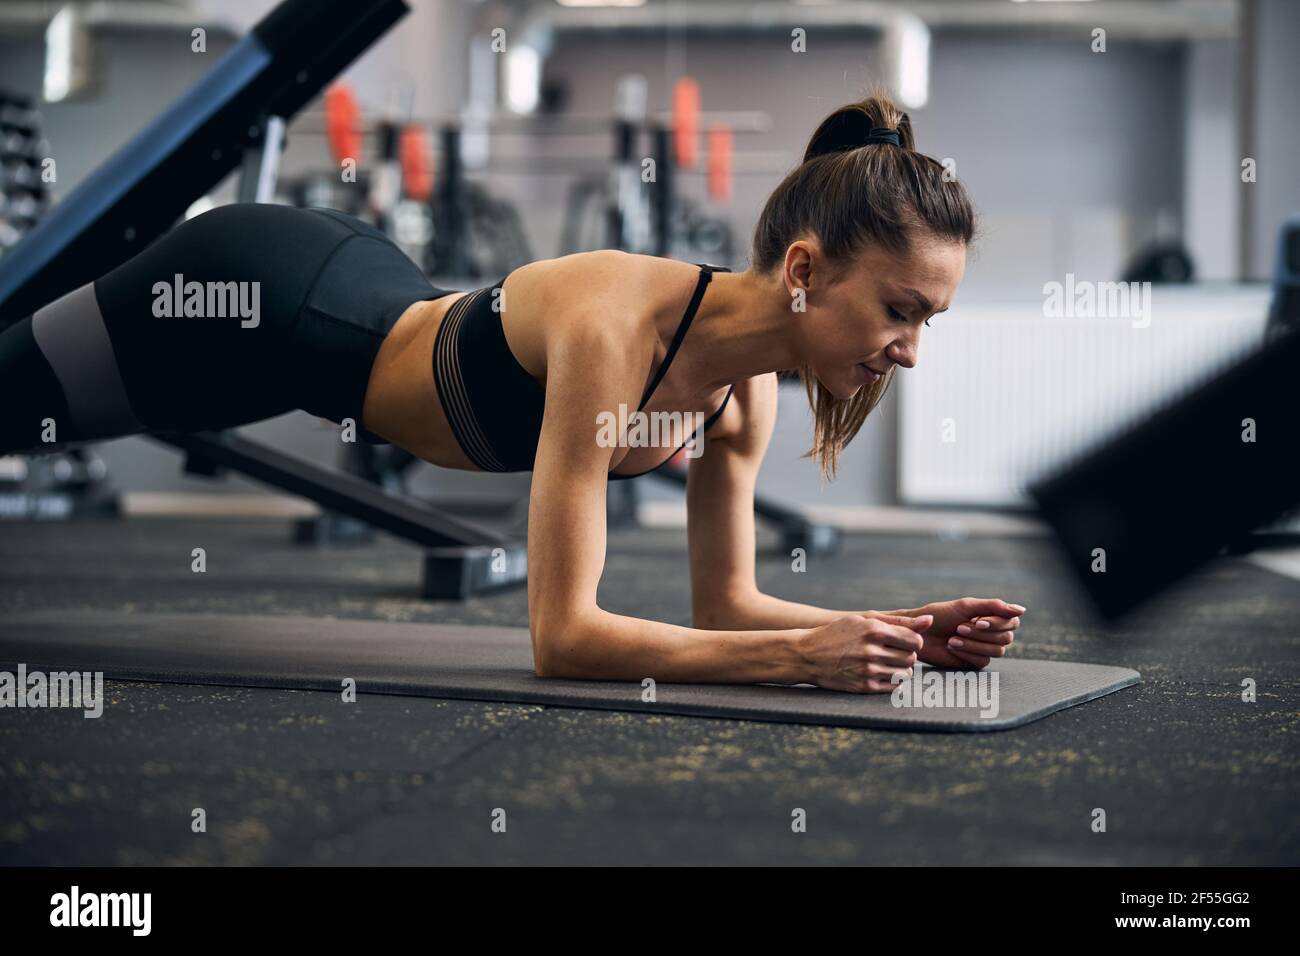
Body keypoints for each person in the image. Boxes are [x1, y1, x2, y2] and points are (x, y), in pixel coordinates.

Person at [0, 91, 1024, 692]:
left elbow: (724, 605)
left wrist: (891, 629)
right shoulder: (612, 324)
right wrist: (802, 654)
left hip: (338, 310)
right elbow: (563, 636)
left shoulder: (742, 395)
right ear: (803, 271)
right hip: (261, 290)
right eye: (903, 310)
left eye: (925, 320)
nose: (910, 350)